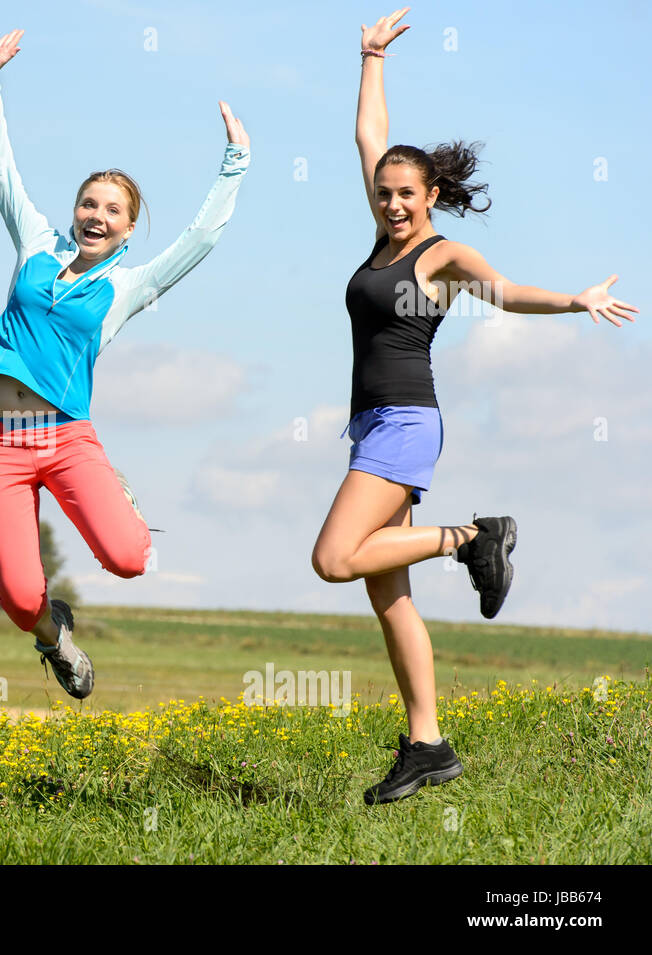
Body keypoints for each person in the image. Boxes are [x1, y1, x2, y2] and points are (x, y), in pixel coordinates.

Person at [311, 7, 637, 804]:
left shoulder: (439, 253)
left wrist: (573, 300)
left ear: (430, 197)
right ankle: (428, 742)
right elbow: (369, 136)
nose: (392, 204)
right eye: (384, 194)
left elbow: (506, 291)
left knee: (333, 557)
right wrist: (372, 60)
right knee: (385, 593)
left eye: (405, 194)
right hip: (374, 423)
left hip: (406, 422)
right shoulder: (384, 236)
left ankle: (472, 537)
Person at [0, 29, 250, 699]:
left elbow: (201, 237)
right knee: (17, 596)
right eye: (89, 203)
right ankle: (54, 637)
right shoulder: (36, 245)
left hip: (66, 438)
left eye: (113, 210)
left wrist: (234, 162)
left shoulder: (126, 288)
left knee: (129, 558)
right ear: (76, 212)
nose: (97, 215)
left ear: (128, 230)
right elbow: (0, 169)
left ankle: (112, 490)